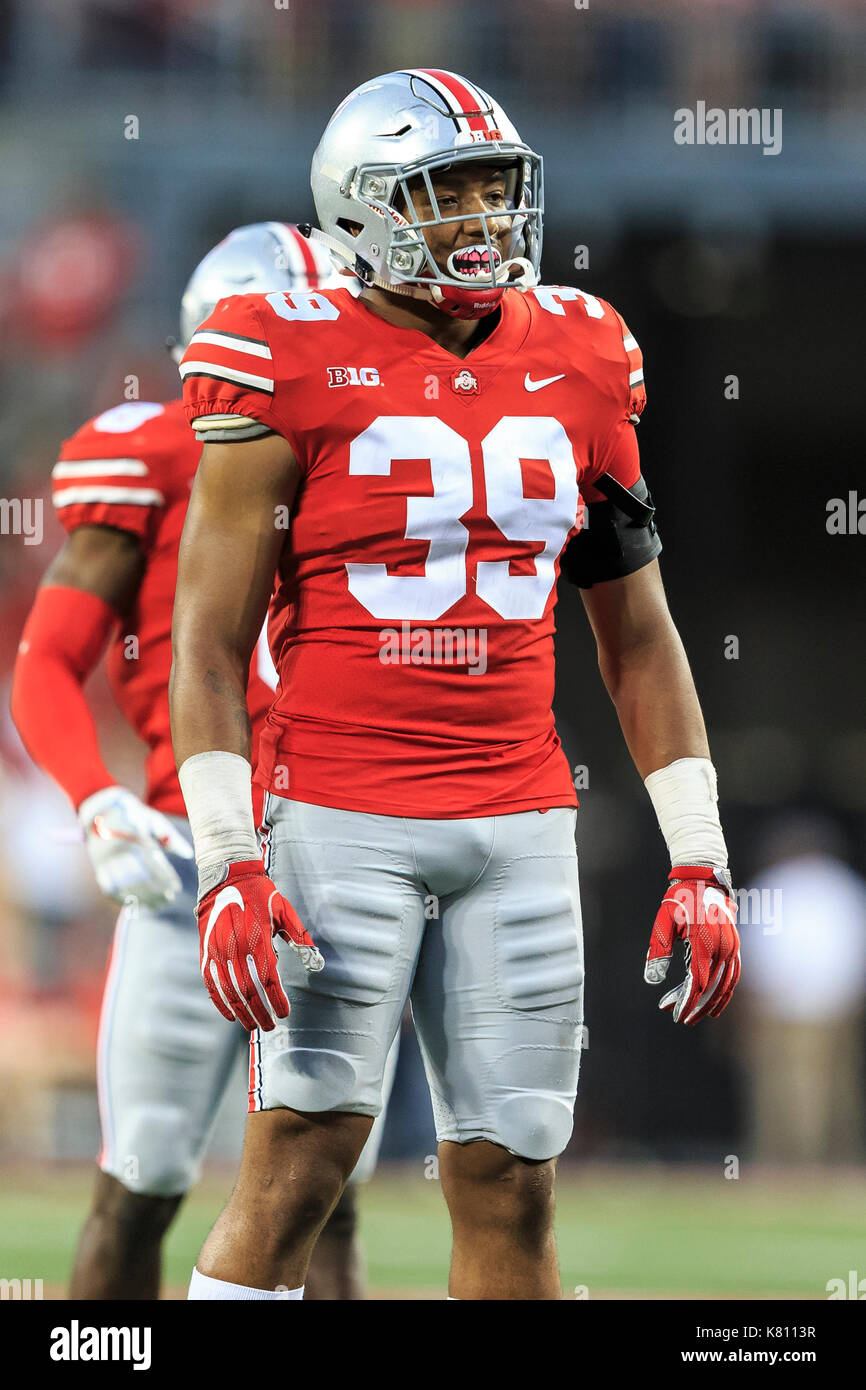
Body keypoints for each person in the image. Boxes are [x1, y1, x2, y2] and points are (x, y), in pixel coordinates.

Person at [171, 68, 741, 1302]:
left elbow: (635, 634)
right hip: (337, 814)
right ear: (364, 206)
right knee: (298, 1168)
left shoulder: (585, 352)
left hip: (519, 817)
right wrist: (228, 860)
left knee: (514, 1178)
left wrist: (695, 854)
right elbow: (206, 643)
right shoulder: (279, 351)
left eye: (497, 188)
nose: (482, 218)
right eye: (445, 193)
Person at [10, 221, 382, 1300]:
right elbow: (44, 664)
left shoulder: (394, 448)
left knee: (325, 1189)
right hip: (192, 865)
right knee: (142, 1182)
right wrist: (93, 801)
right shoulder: (155, 453)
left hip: (340, 855)